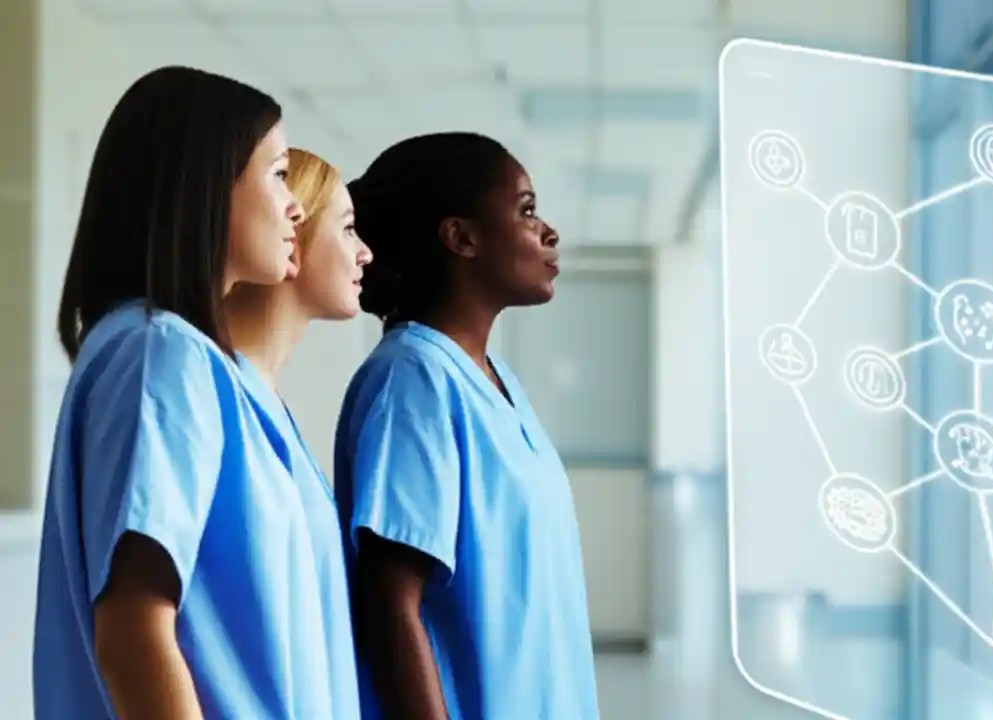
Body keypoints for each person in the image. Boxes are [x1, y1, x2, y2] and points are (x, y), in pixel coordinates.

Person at [32, 65, 332, 719]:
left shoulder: (176, 356)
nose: (295, 205)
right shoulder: (158, 353)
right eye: (278, 174)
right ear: (204, 186)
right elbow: (136, 633)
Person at [335, 132, 600, 719]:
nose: (548, 232)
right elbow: (390, 605)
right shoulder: (415, 379)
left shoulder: (494, 378)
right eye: (527, 211)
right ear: (461, 236)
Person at [224, 147, 372, 720]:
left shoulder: (271, 406)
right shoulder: (220, 397)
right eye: (349, 229)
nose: (365, 253)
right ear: (294, 231)